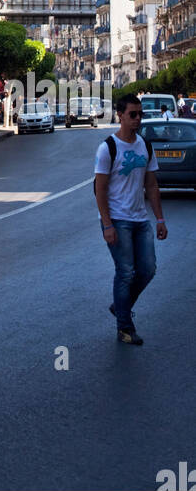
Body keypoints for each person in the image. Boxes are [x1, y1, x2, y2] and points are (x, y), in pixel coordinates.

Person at [94, 95, 167, 345]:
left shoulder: (145, 146)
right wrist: (107, 224)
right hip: (118, 220)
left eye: (140, 115)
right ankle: (125, 326)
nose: (137, 119)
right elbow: (100, 189)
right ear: (120, 115)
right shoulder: (108, 148)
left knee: (148, 270)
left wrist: (159, 218)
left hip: (140, 219)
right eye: (132, 114)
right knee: (125, 272)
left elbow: (152, 184)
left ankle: (121, 306)